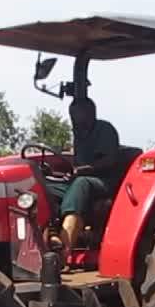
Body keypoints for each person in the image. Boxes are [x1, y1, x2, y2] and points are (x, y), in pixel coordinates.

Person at [43, 97, 121, 262]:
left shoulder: (104, 130)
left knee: (80, 184)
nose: (74, 120)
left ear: (91, 113)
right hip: (82, 179)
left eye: (77, 116)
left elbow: (110, 160)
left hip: (105, 181)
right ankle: (50, 233)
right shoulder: (79, 133)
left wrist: (83, 170)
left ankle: (63, 251)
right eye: (72, 116)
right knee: (45, 185)